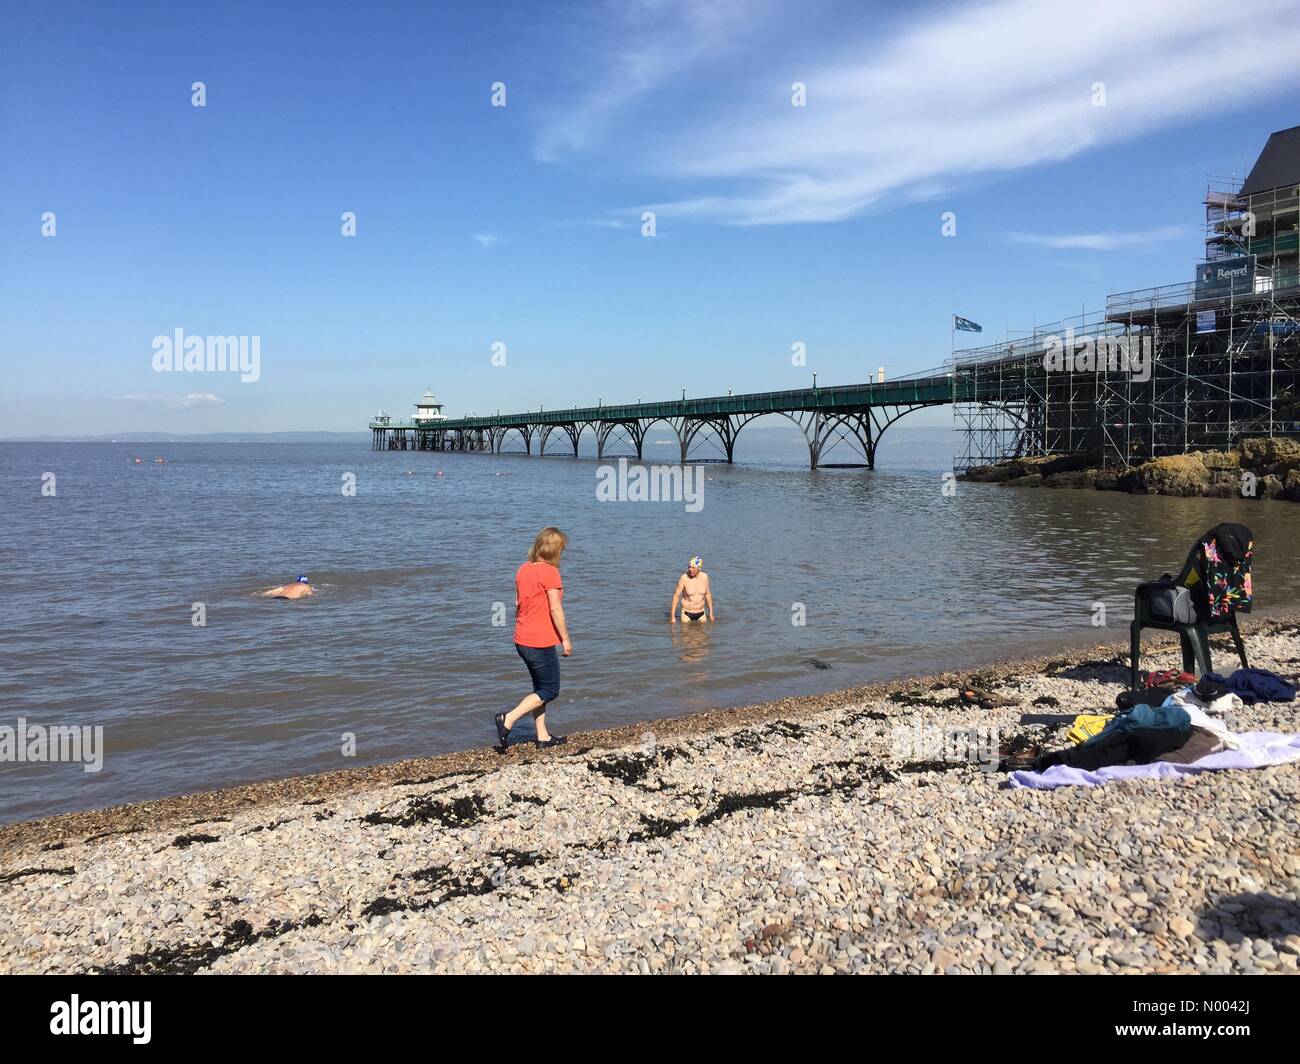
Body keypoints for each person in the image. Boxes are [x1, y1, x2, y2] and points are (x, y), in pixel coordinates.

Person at [495, 527, 572, 750]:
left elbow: (517, 604)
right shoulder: (550, 573)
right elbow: (556, 609)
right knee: (550, 690)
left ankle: (542, 736)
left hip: (522, 639)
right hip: (539, 641)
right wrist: (565, 639)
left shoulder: (523, 569)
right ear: (556, 551)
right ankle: (507, 719)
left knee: (540, 688)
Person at [670, 556, 714, 623]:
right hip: (687, 613)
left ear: (699, 568)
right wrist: (672, 616)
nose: (690, 569)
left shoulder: (705, 577)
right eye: (689, 567)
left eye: (693, 567)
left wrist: (711, 613)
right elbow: (676, 596)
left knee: (704, 632)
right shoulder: (684, 578)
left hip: (701, 612)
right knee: (685, 632)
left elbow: (708, 595)